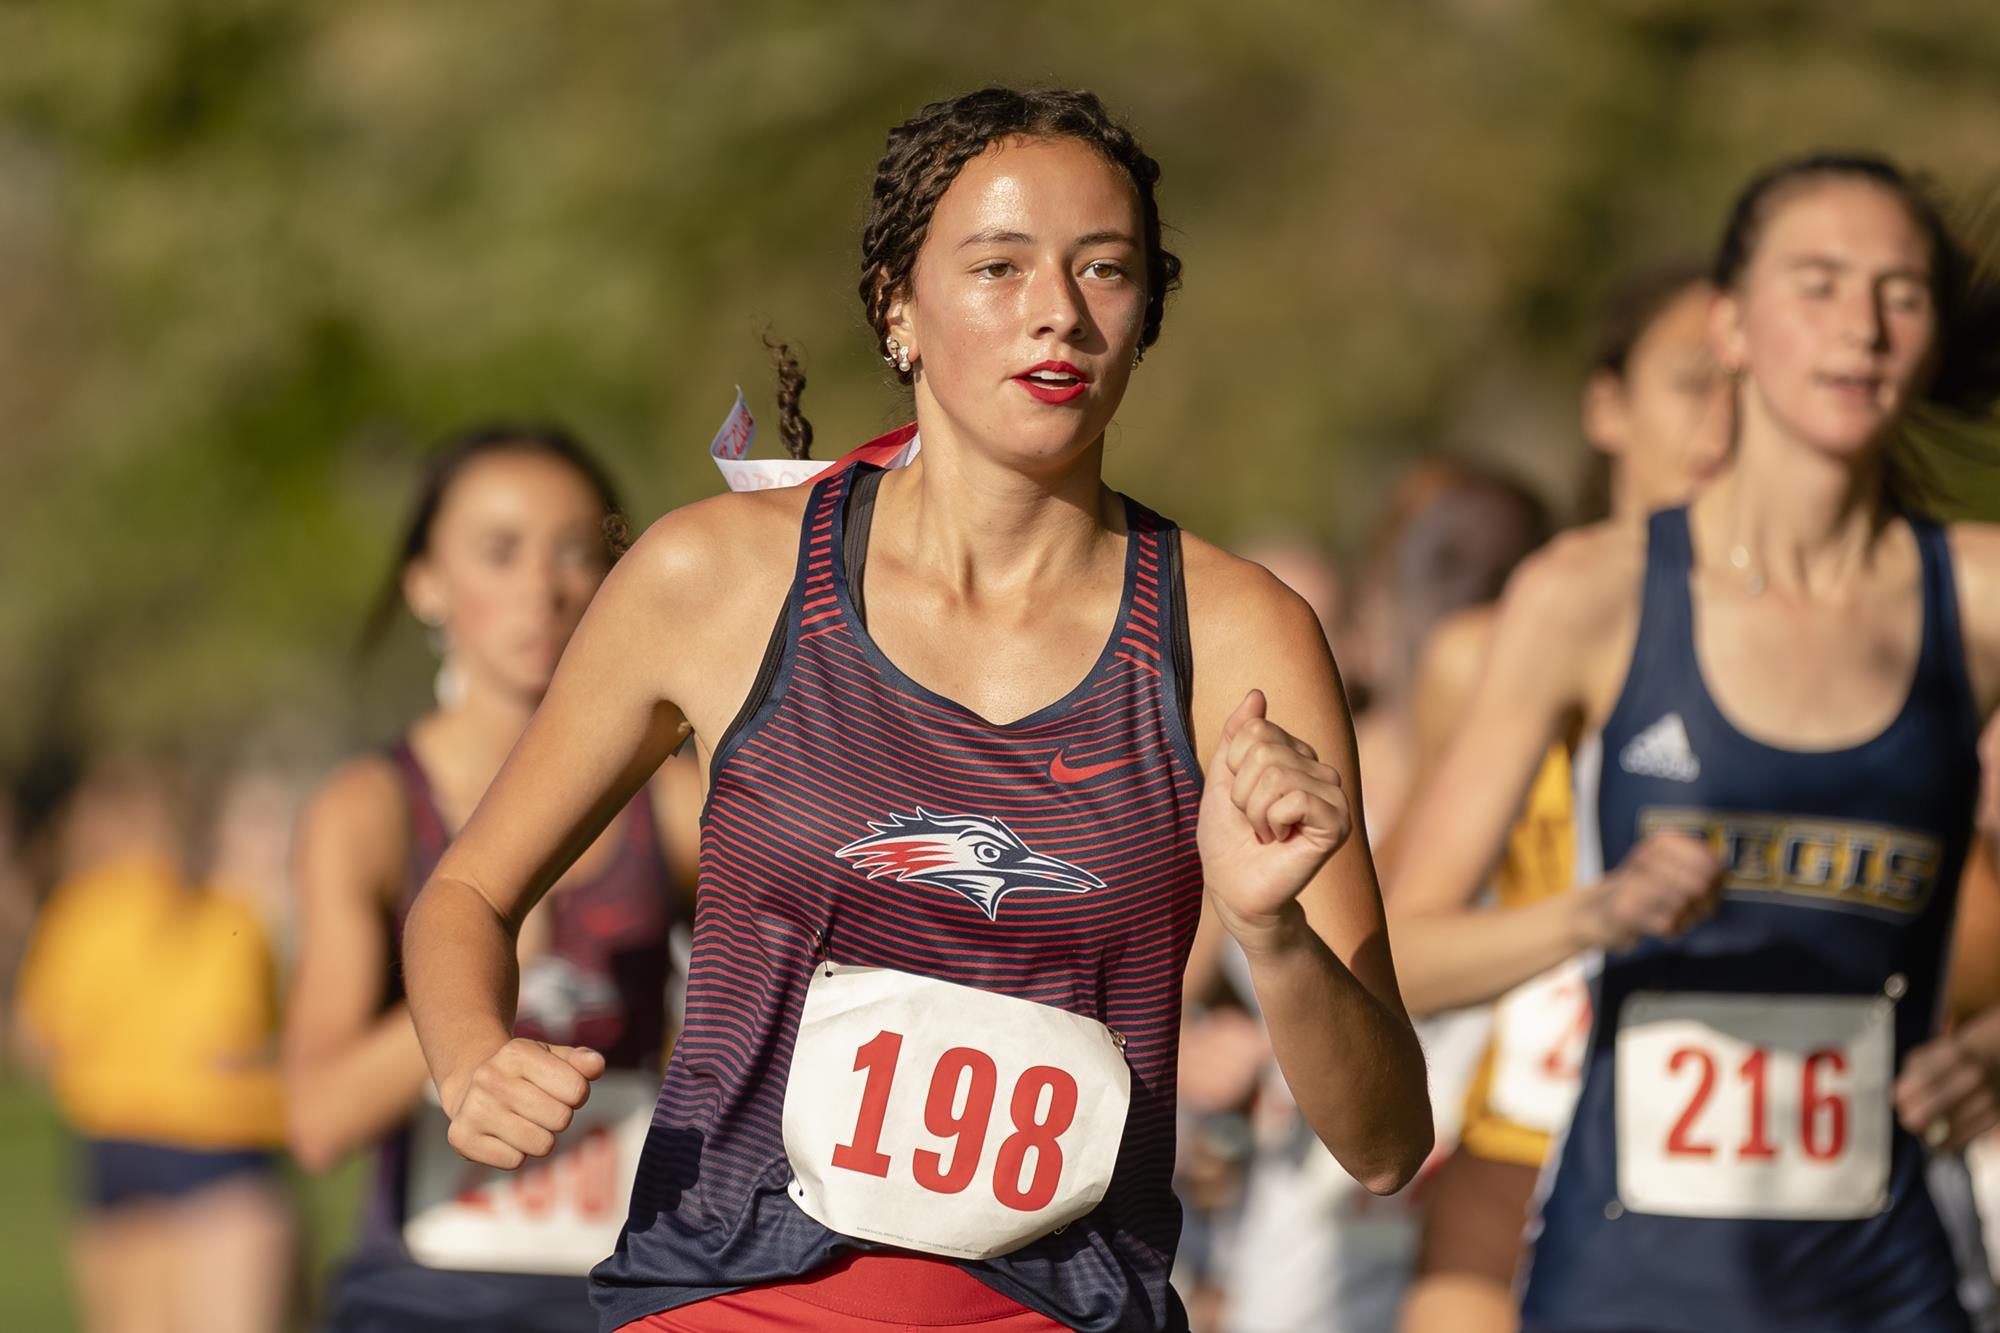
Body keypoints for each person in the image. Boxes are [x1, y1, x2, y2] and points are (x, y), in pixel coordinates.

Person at [400, 86, 1432, 1333]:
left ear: (1145, 309)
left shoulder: (1235, 635)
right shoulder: (713, 576)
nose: (1056, 309)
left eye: (1103, 268)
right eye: (997, 266)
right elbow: (466, 895)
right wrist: (470, 1054)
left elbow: (1381, 1143)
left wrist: (1271, 938)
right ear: (898, 306)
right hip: (721, 1303)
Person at [1388, 152, 2000, 1331]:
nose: (1860, 328)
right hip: (1630, 1278)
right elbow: (1395, 954)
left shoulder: (1975, 597)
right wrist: (1591, 913)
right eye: (1816, 284)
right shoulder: (1590, 595)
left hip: (1888, 1283)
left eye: (1899, 293)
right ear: (1734, 323)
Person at [285, 424, 697, 1332]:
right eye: (499, 553)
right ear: (426, 583)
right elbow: (317, 1118)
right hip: (424, 1296)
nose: (543, 589)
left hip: (621, 1290)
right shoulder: (372, 810)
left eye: (578, 552)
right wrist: (473, 966)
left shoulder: (670, 804)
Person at [1393, 262, 1731, 1333]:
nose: (1725, 419)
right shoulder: (1483, 654)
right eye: (1691, 380)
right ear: (1605, 404)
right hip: (1522, 1146)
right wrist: (1591, 915)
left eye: (1751, 385)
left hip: (1753, 1162)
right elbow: (1388, 953)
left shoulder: (1846, 651)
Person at [1218, 468, 1550, 1333]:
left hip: (1485, 1244)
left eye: (1494, 571)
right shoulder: (1265, 774)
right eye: (1438, 563)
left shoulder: (1555, 801)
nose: (1458, 600)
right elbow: (1156, 1007)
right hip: (1298, 1265)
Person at [14, 755, 294, 1333]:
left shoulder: (75, 912)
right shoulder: (229, 913)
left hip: (110, 1148)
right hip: (218, 1145)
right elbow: (238, 1040)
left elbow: (36, 1042)